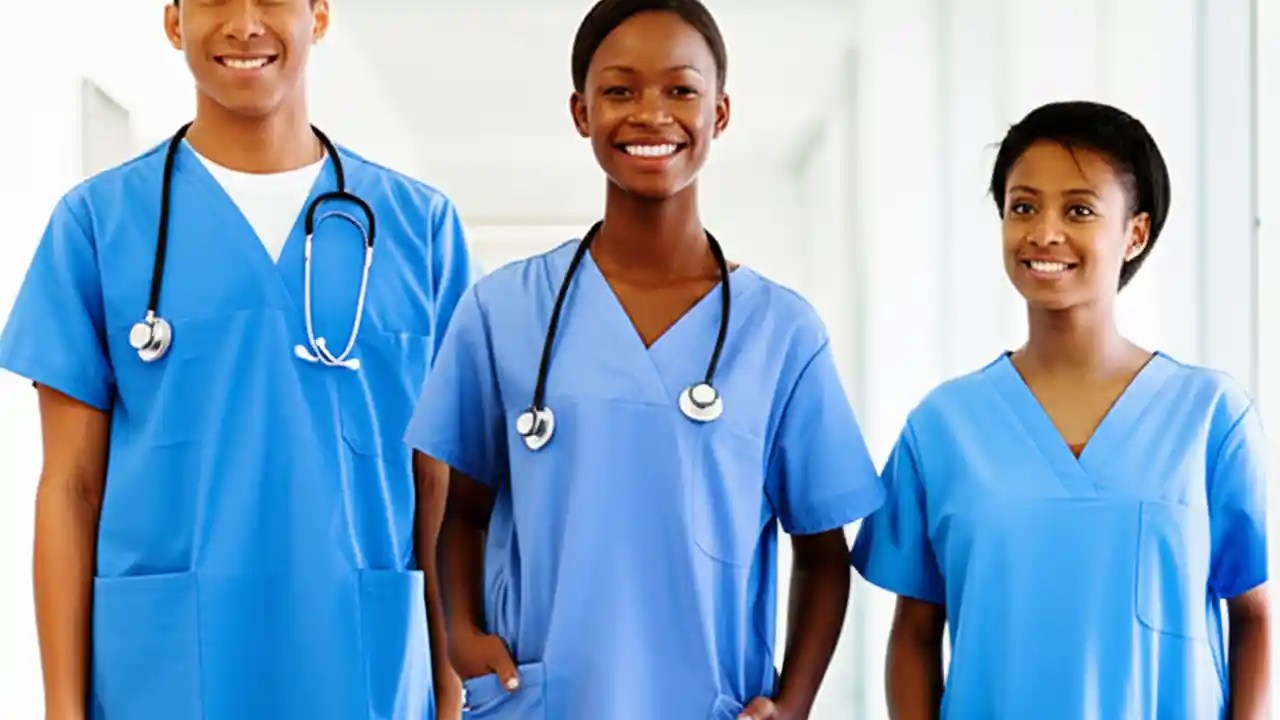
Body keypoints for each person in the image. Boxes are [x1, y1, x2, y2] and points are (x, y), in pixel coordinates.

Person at [403, 0, 886, 718]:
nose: (650, 113)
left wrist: (792, 704)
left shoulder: (780, 332)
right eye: (620, 90)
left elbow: (820, 553)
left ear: (720, 113)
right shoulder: (502, 311)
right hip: (542, 701)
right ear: (581, 111)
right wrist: (464, 637)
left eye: (681, 90)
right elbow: (462, 516)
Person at [0, 1, 472, 717]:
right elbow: (69, 489)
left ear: (318, 15)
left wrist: (448, 687)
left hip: (361, 662)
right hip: (167, 676)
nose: (245, 23)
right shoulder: (98, 224)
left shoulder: (419, 229)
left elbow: (438, 487)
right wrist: (61, 709)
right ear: (173, 21)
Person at [851, 100, 1270, 719]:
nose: (1044, 232)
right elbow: (915, 633)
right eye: (1023, 206)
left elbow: (1254, 619)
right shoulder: (942, 428)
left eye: (1079, 209)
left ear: (1136, 232)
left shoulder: (1210, 416)